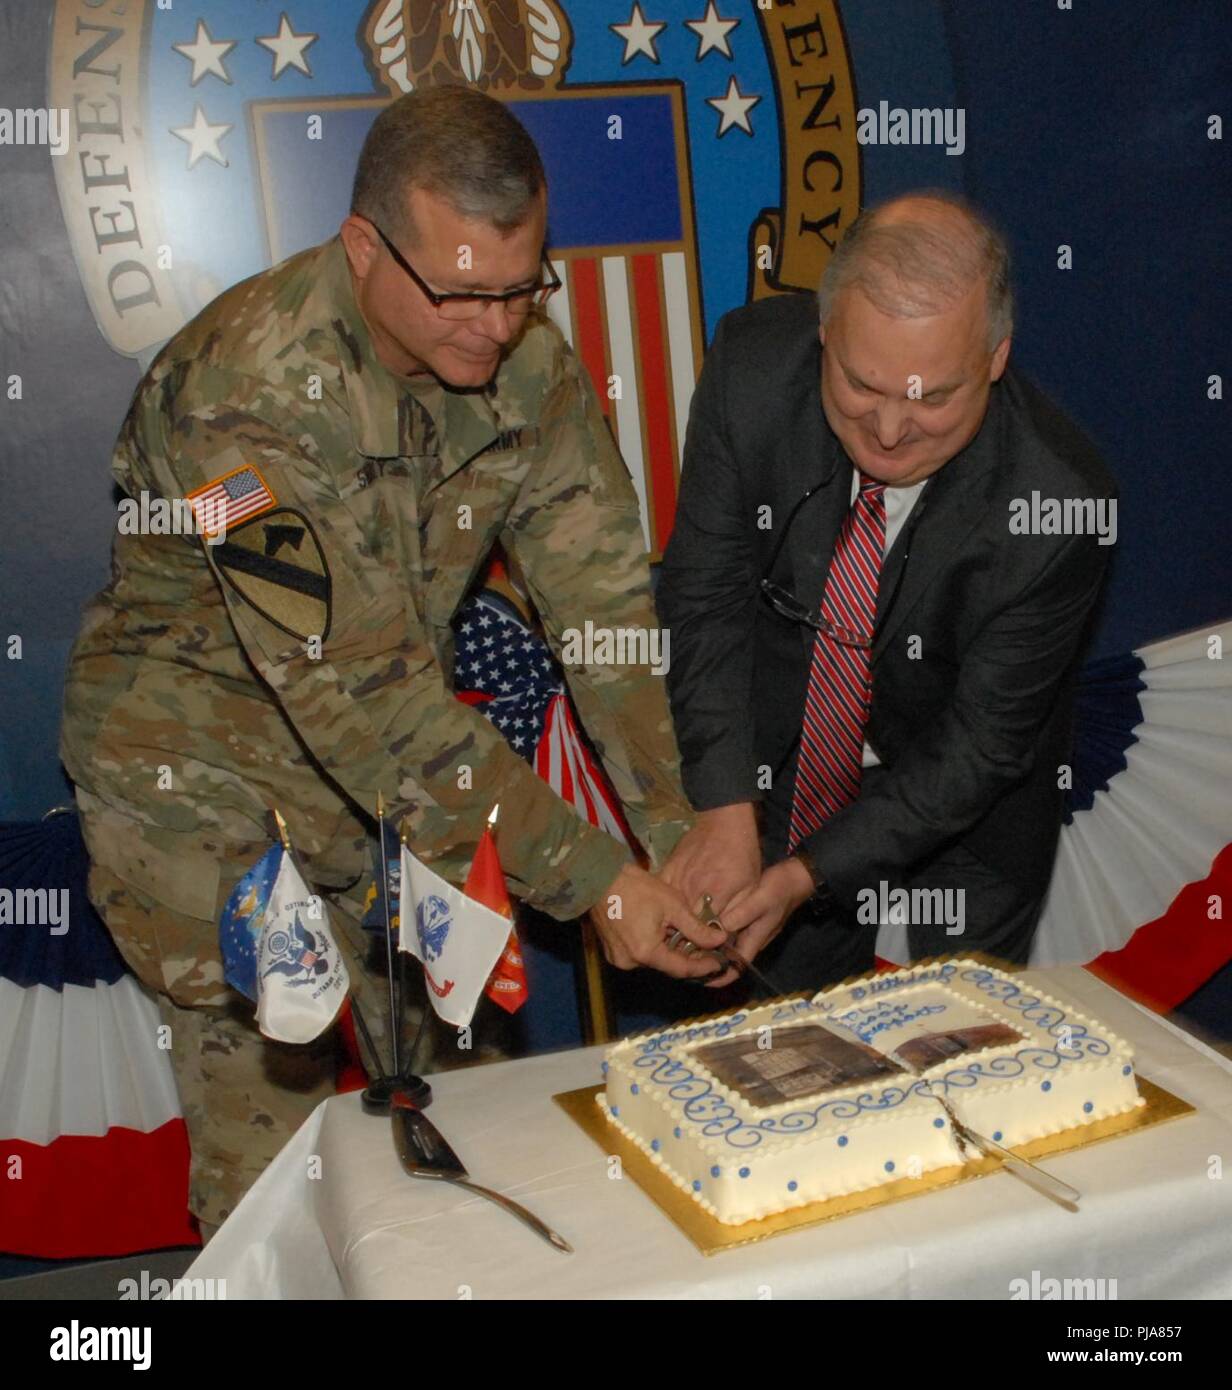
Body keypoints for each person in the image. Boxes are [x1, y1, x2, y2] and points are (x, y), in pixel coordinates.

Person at [60, 86, 725, 1239]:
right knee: (274, 1134)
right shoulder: (243, 396)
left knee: (463, 1101)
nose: (496, 323)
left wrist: (677, 845)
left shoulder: (525, 364)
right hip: (198, 778)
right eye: (461, 290)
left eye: (522, 285)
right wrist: (595, 881)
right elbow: (353, 694)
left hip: (392, 778)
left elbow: (604, 614)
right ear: (363, 249)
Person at [657, 192, 1117, 991]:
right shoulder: (750, 373)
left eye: (934, 396)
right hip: (787, 766)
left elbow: (979, 747)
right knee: (783, 1047)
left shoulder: (1060, 508)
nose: (892, 430)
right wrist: (726, 806)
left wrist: (808, 874)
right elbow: (705, 594)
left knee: (955, 1047)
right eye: (863, 385)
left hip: (968, 805)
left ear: (997, 358)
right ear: (824, 332)